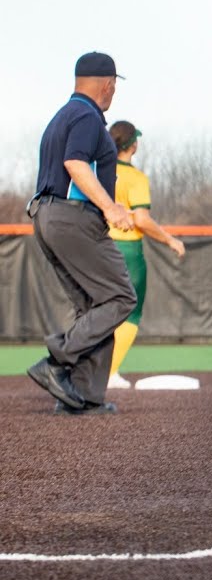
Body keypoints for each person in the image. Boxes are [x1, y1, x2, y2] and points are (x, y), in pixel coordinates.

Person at [26, 52, 137, 415]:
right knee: (120, 297)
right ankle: (57, 362)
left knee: (93, 306)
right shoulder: (88, 116)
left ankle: (80, 396)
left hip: (46, 215)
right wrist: (111, 207)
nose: (114, 91)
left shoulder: (63, 115)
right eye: (115, 85)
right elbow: (74, 163)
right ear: (108, 84)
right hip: (73, 219)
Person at [105, 121, 186, 390]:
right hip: (127, 249)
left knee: (99, 310)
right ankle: (109, 373)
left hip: (99, 245)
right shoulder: (135, 178)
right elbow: (141, 219)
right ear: (132, 145)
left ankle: (86, 370)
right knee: (131, 311)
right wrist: (170, 239)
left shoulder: (99, 171)